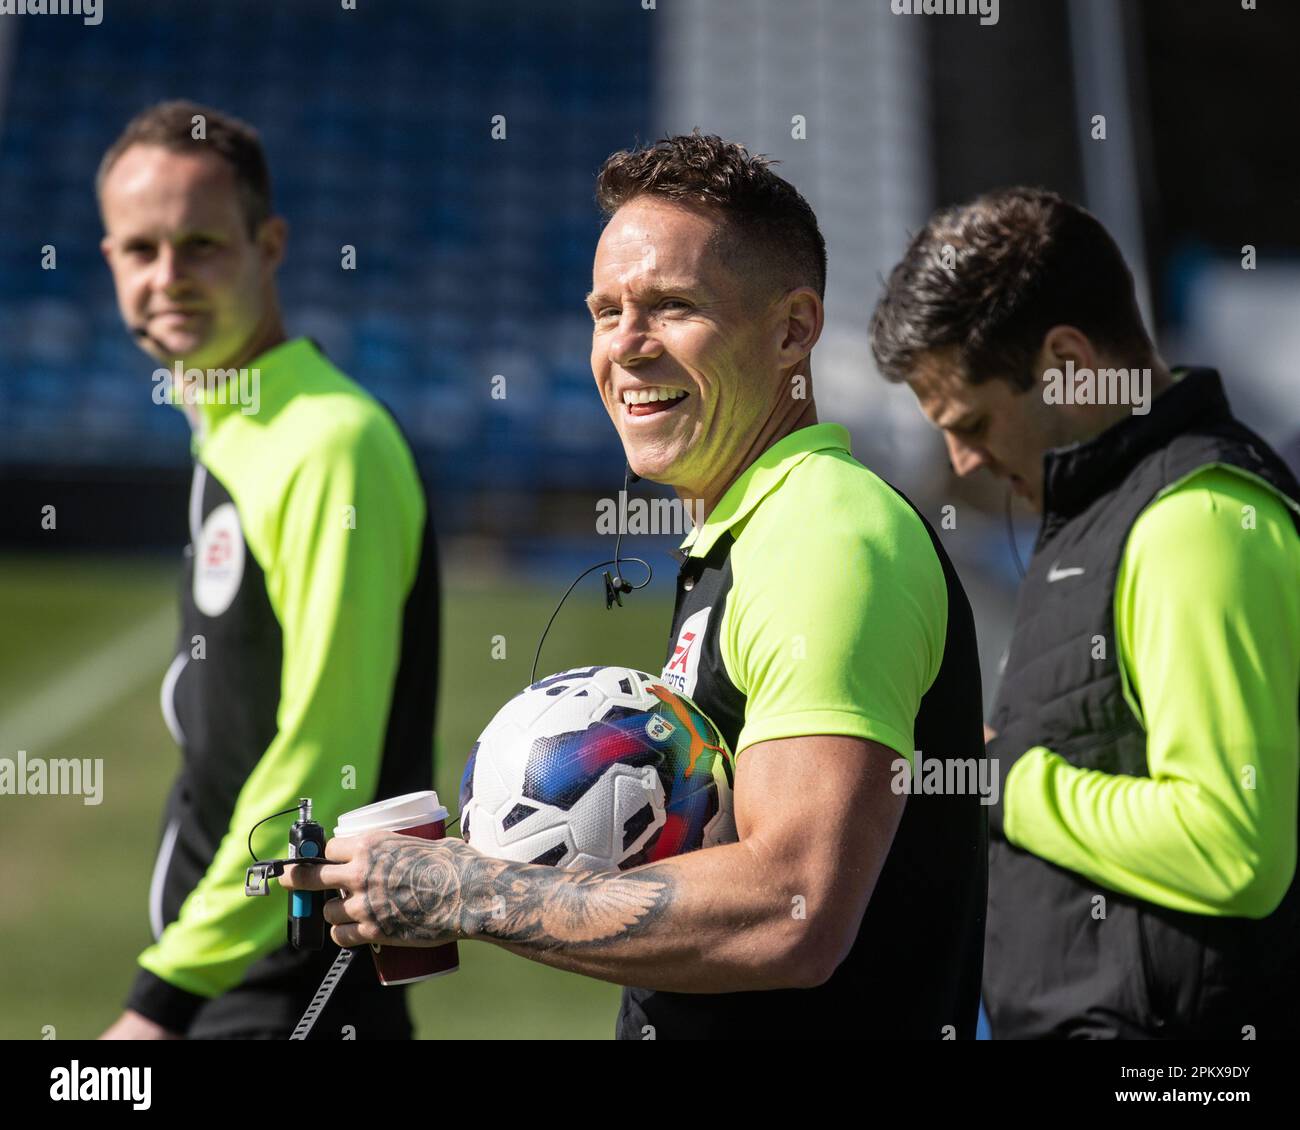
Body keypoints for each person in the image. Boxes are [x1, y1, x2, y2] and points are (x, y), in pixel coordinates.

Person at [281, 133, 988, 1040]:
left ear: (793, 330)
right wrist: (468, 879)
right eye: (604, 311)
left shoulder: (828, 534)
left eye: (672, 307)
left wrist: (471, 892)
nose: (627, 347)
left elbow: (792, 909)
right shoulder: (754, 528)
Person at [870, 186, 1300, 1039]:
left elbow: (1233, 847)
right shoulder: (1098, 517)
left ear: (1067, 360)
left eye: (976, 421)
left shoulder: (1196, 522)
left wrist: (1006, 781)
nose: (964, 460)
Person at [96, 100, 439, 1040]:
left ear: (269, 244)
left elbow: (325, 764)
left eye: (200, 244)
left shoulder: (330, 442)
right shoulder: (237, 433)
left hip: (290, 987)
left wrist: (161, 998)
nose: (166, 278)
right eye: (138, 249)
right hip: (243, 981)